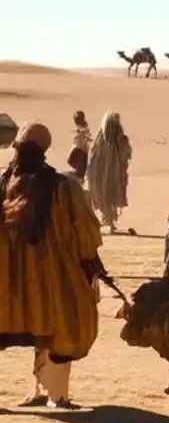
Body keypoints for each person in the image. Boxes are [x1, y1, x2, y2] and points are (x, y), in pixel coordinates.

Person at [0, 122, 105, 408]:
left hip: (17, 281)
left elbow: (83, 231)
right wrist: (89, 261)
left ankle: (49, 393)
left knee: (48, 329)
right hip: (50, 279)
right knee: (55, 325)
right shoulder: (63, 187)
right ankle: (54, 395)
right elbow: (86, 234)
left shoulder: (57, 187)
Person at [86, 112, 132, 234]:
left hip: (111, 176)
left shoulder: (112, 140)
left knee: (109, 197)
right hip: (104, 177)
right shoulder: (101, 141)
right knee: (105, 197)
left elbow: (125, 155)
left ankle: (109, 221)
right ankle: (108, 221)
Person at [67, 111, 91, 185]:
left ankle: (79, 181)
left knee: (81, 170)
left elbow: (86, 135)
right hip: (79, 150)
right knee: (80, 170)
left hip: (81, 150)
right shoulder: (82, 128)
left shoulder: (84, 128)